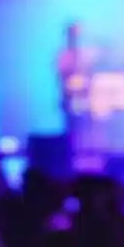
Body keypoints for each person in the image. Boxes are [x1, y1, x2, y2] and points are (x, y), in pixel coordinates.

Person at [56, 22, 95, 151]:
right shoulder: (64, 55)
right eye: (73, 34)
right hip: (70, 97)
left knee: (87, 129)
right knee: (72, 129)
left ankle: (86, 152)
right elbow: (61, 75)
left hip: (85, 97)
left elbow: (90, 74)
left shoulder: (86, 54)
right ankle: (71, 153)